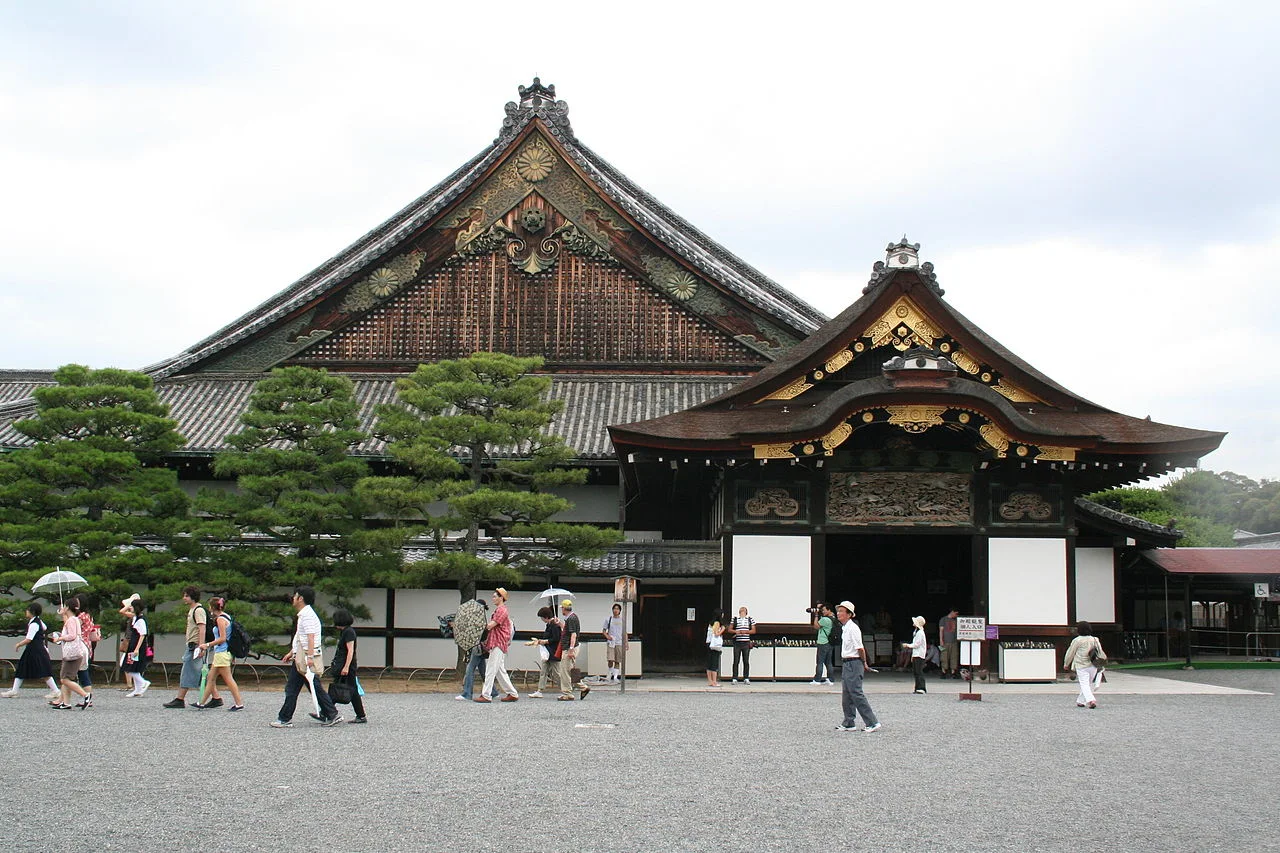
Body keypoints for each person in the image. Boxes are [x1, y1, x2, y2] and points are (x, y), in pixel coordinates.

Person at [270, 585, 341, 728]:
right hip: (303, 655)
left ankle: (285, 718)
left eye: (295, 596)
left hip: (305, 656)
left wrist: (309, 657)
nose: (293, 598)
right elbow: (300, 638)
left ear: (300, 598)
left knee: (296, 688)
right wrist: (292, 652)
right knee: (308, 686)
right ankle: (330, 713)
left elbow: (310, 637)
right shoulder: (305, 614)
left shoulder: (307, 615)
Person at [164, 586, 221, 709]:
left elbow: (202, 628)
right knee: (201, 673)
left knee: (188, 671)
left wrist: (201, 646)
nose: (184, 598)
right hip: (194, 645)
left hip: (196, 645)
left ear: (193, 597)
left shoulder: (198, 610)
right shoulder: (193, 610)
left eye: (186, 596)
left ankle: (180, 699)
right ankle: (216, 698)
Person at [834, 601, 881, 733]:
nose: (838, 613)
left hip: (854, 662)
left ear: (849, 614)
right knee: (847, 694)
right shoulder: (845, 628)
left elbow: (860, 648)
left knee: (856, 693)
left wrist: (864, 662)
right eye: (838, 611)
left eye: (841, 611)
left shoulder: (853, 628)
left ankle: (872, 722)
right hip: (847, 662)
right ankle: (849, 722)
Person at [193, 597, 244, 711]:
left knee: (228, 679)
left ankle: (239, 703)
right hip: (224, 652)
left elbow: (222, 638)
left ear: (212, 607)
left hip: (222, 652)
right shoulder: (227, 616)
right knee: (210, 677)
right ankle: (201, 702)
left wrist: (207, 645)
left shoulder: (220, 619)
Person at [2, 602, 61, 699]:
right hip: (36, 649)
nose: (26, 611)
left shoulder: (34, 624)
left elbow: (29, 639)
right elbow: (45, 628)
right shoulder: (38, 621)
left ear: (32, 612)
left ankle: (56, 691)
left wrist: (18, 644)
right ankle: (14, 690)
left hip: (35, 650)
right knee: (26, 668)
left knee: (42, 670)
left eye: (27, 610)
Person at [476, 588, 518, 704]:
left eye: (495, 596)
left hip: (498, 642)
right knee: (499, 670)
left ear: (501, 598)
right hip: (498, 642)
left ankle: (486, 695)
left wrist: (479, 626)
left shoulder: (502, 610)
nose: (493, 598)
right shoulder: (500, 610)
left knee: (490, 669)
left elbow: (491, 625)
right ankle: (512, 693)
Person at [49, 601, 92, 709]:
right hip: (77, 651)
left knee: (64, 679)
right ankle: (66, 702)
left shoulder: (71, 620)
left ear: (67, 607)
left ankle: (85, 695)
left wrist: (60, 638)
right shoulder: (74, 619)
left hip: (72, 653)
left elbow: (72, 635)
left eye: (64, 606)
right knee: (67, 679)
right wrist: (63, 614)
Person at [454, 600, 496, 702]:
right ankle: (493, 691)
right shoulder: (482, 618)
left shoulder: (478, 620)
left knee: (470, 669)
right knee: (483, 671)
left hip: (477, 647)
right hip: (481, 648)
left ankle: (467, 693)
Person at [329, 607, 366, 724]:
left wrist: (346, 667)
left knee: (341, 688)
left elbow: (350, 651)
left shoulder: (349, 632)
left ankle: (327, 711)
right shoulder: (345, 631)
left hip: (347, 665)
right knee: (348, 689)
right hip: (345, 664)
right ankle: (360, 715)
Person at [1063, 620, 1107, 709]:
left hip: (1081, 665)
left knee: (1084, 684)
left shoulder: (1077, 640)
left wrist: (1066, 663)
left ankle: (1091, 700)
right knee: (1088, 683)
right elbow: (1100, 651)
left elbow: (1070, 652)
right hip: (1093, 664)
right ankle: (1081, 701)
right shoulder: (1095, 639)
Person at [556, 599, 590, 701]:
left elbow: (573, 634)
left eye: (562, 608)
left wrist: (571, 649)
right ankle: (583, 687)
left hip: (569, 647)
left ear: (564, 608)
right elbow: (568, 631)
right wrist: (560, 623)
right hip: (571, 646)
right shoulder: (572, 618)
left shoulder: (571, 619)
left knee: (565, 671)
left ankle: (567, 693)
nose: (561, 610)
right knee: (569, 670)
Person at [529, 605, 563, 698]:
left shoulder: (555, 625)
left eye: (542, 617)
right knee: (543, 672)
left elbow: (556, 638)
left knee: (556, 673)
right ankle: (540, 690)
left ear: (546, 617)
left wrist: (545, 641)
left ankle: (565, 689)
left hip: (554, 652)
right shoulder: (549, 625)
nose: (541, 619)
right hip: (547, 652)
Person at [123, 598, 152, 697]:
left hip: (137, 646)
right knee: (133, 667)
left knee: (130, 667)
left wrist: (136, 649)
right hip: (133, 645)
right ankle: (138, 690)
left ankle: (143, 682)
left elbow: (142, 635)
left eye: (132, 606)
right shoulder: (135, 617)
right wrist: (130, 602)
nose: (130, 608)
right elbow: (122, 611)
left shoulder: (141, 620)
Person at [601, 602, 627, 683]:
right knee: (610, 659)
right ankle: (609, 674)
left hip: (619, 642)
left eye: (617, 609)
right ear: (612, 610)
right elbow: (604, 631)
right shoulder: (608, 619)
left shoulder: (622, 620)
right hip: (611, 642)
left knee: (617, 660)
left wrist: (626, 643)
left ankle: (615, 677)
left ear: (620, 611)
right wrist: (607, 636)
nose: (616, 610)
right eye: (614, 609)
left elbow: (625, 632)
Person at [810, 603, 836, 685]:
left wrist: (816, 615)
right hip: (830, 643)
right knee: (828, 662)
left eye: (824, 610)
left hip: (823, 642)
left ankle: (817, 680)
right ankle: (830, 679)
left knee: (820, 662)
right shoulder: (834, 618)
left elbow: (816, 626)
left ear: (829, 610)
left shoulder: (825, 620)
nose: (823, 612)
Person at [730, 605, 755, 684]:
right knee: (736, 660)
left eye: (744, 612)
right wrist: (736, 632)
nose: (742, 613)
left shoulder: (750, 620)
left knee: (746, 661)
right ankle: (735, 678)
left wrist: (745, 632)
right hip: (737, 642)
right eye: (741, 612)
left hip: (746, 642)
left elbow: (753, 630)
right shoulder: (735, 619)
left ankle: (746, 677)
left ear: (746, 613)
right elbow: (729, 629)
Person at [903, 615, 927, 694]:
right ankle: (918, 687)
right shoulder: (917, 631)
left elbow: (917, 644)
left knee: (919, 671)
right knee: (916, 672)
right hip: (916, 654)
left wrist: (907, 645)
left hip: (919, 655)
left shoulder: (920, 633)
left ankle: (921, 688)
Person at [705, 609, 725, 688]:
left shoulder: (711, 623)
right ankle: (714, 681)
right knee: (714, 663)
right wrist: (722, 629)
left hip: (709, 643)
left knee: (709, 663)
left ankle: (710, 681)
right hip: (714, 645)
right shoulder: (717, 623)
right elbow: (716, 634)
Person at [939, 608, 960, 679]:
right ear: (952, 612)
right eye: (956, 614)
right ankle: (943, 672)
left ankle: (953, 672)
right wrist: (941, 640)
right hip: (945, 641)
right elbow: (941, 630)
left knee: (954, 657)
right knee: (944, 657)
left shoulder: (956, 620)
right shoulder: (943, 619)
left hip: (954, 641)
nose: (956, 615)